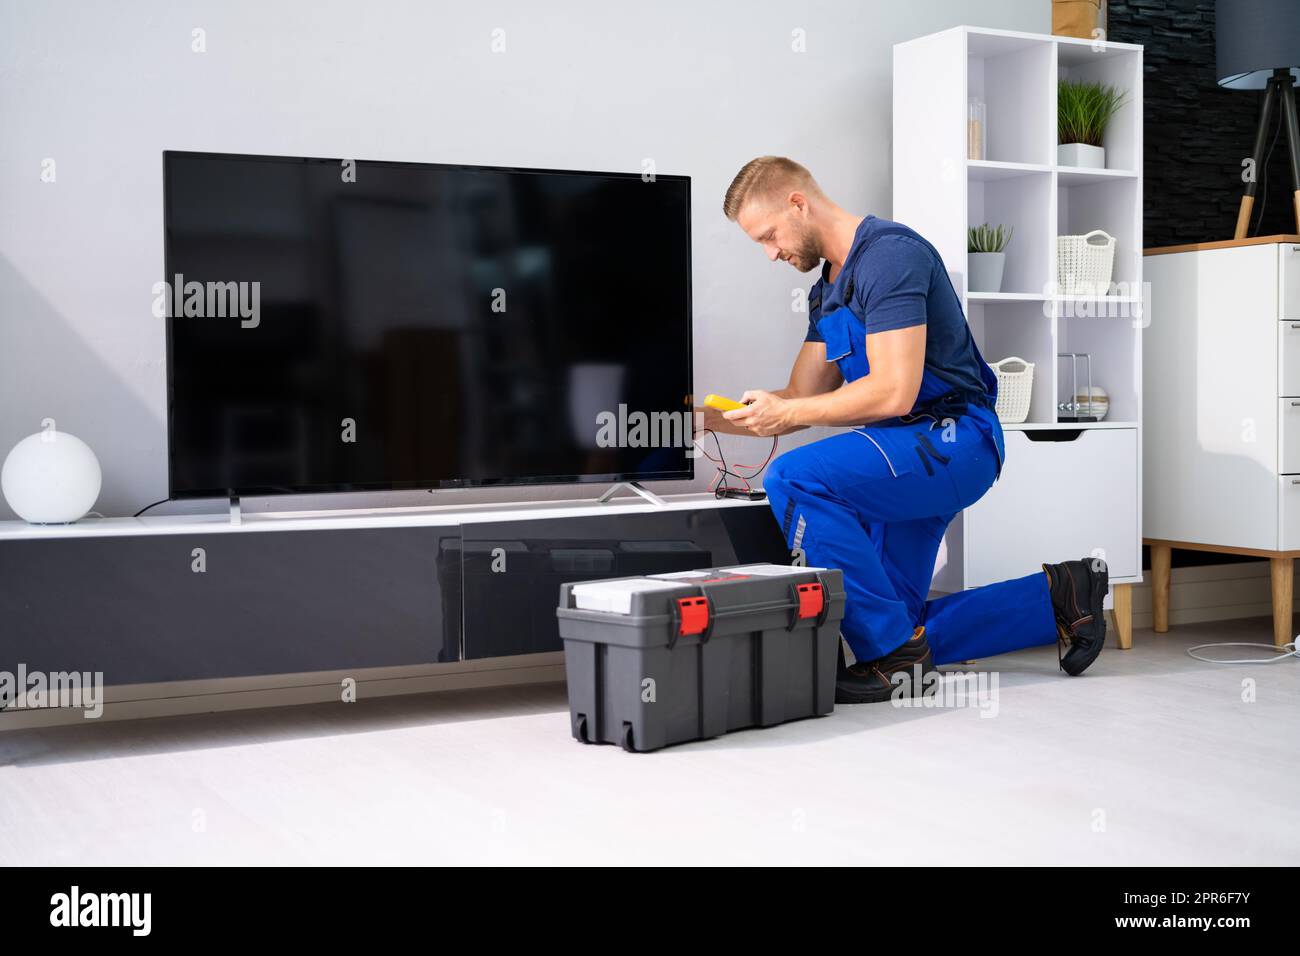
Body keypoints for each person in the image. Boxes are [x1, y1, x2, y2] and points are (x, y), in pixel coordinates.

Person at [706, 156, 1108, 704]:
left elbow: (893, 391)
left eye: (769, 236)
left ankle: (894, 659)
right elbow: (798, 397)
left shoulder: (890, 256)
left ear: (798, 203)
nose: (771, 253)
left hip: (953, 439)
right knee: (899, 618)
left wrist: (790, 414)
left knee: (794, 479)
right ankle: (1059, 596)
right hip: (897, 454)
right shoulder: (827, 291)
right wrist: (692, 419)